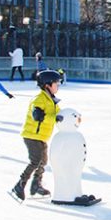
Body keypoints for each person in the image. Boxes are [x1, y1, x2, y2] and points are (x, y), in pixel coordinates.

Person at [10, 70, 64, 201]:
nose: (58, 86)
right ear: (47, 85)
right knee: (35, 161)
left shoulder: (51, 100)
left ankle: (36, 185)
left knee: (43, 161)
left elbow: (58, 114)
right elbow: (37, 114)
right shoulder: (39, 99)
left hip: (41, 136)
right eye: (56, 83)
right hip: (32, 135)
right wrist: (40, 114)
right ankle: (19, 185)